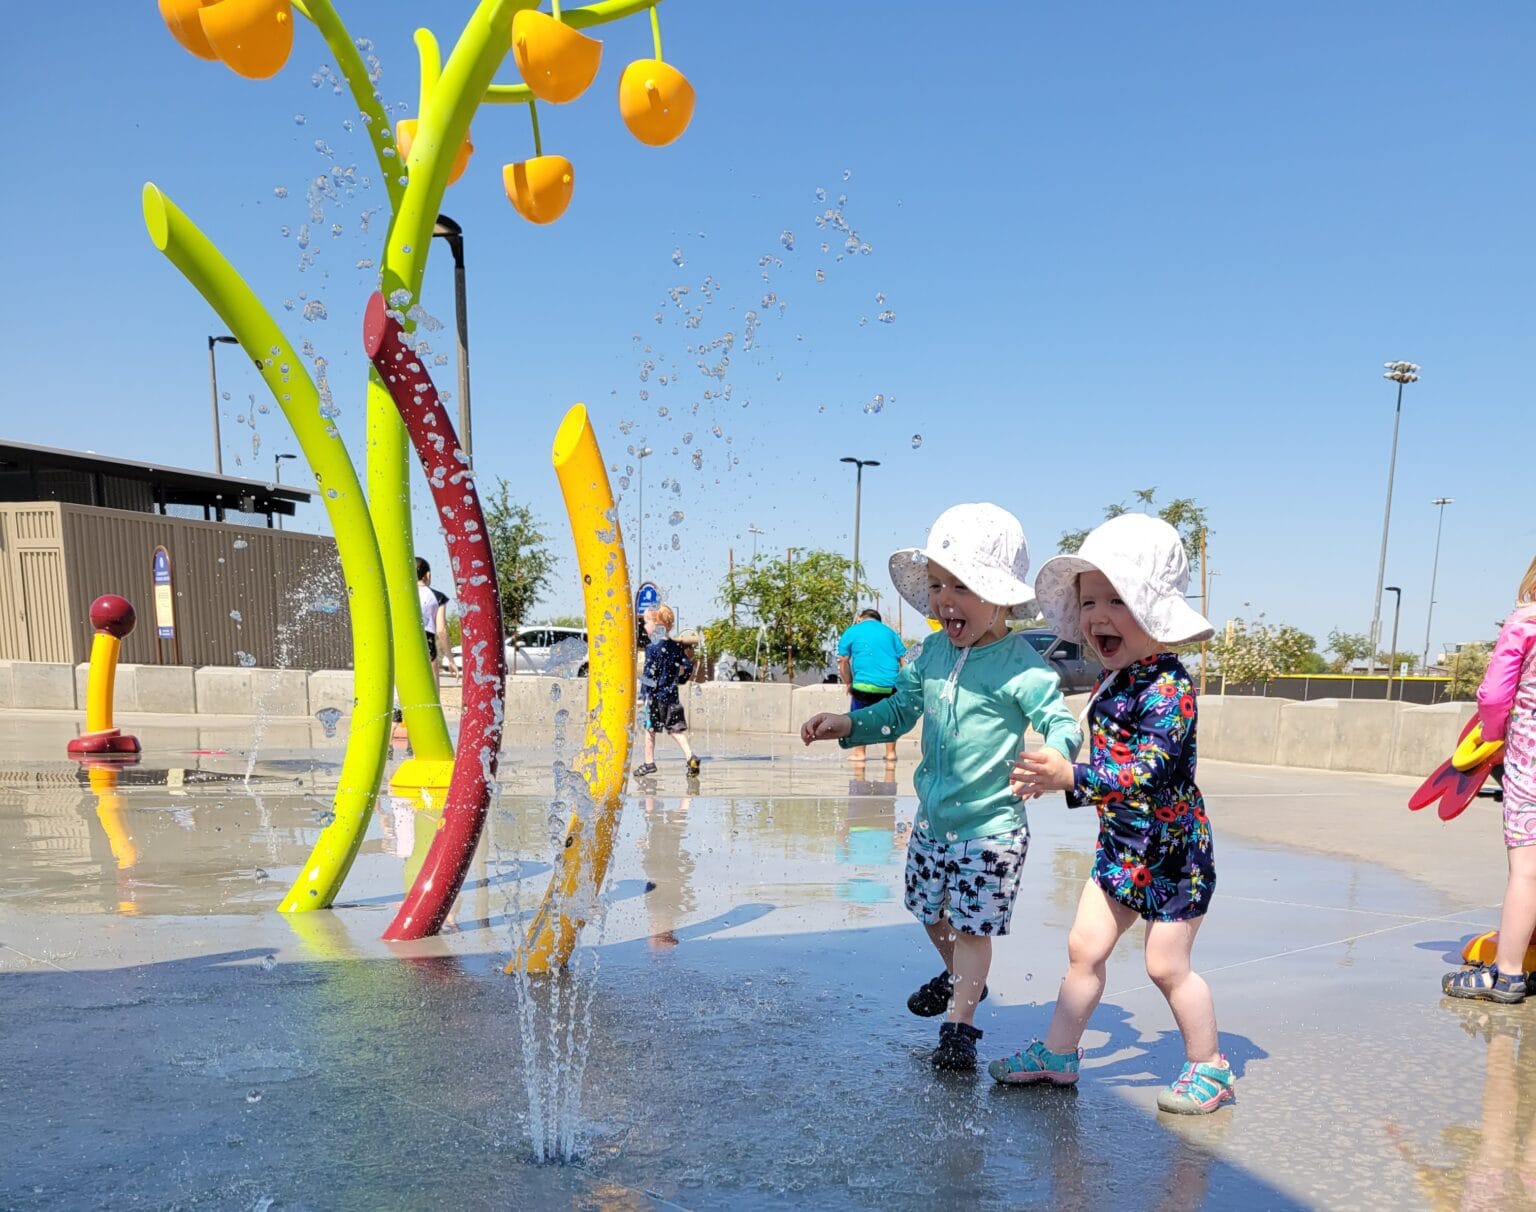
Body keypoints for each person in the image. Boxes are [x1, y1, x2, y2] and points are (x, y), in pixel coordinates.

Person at [801, 503, 1081, 1071]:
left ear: (999, 596)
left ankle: (960, 1024)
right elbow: (900, 710)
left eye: (962, 586)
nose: (944, 600)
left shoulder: (1022, 666)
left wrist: (1057, 756)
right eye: (936, 585)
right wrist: (849, 724)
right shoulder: (930, 653)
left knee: (973, 929)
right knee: (929, 912)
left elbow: (1060, 721)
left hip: (991, 828)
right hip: (933, 822)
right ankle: (960, 975)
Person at [991, 513, 1231, 1115]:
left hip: (1174, 857)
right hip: (1122, 849)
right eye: (1089, 601)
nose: (1098, 615)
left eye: (1117, 600)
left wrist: (1072, 778)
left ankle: (1210, 1065)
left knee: (1166, 966)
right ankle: (1058, 1054)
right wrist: (1056, 765)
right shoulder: (1113, 679)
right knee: (1084, 948)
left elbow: (1149, 773)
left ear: (1155, 612)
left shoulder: (1169, 687)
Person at [1442, 554, 1536, 1004]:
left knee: (1527, 870)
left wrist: (1494, 733)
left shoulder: (1525, 622)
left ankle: (1509, 974)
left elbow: (1496, 695)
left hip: (1530, 760)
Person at [635, 604, 702, 779]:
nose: (644, 626)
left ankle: (649, 763)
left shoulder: (652, 648)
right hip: (672, 697)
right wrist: (680, 680)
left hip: (655, 699)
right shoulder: (676, 646)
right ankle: (691, 757)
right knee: (675, 730)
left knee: (649, 730)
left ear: (657, 624)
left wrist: (642, 697)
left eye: (646, 622)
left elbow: (648, 675)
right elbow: (688, 666)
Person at [836, 607, 908, 764]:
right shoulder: (890, 633)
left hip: (863, 686)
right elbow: (904, 659)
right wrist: (903, 682)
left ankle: (859, 753)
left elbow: (842, 660)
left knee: (859, 717)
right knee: (890, 717)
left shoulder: (853, 630)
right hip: (889, 685)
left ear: (860, 619)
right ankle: (891, 753)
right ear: (878, 621)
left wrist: (848, 682)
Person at [417, 557, 453, 680]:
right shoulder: (437, 597)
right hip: (427, 643)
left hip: (403, 643)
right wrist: (450, 659)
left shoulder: (400, 594)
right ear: (428, 575)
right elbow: (441, 630)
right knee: (432, 690)